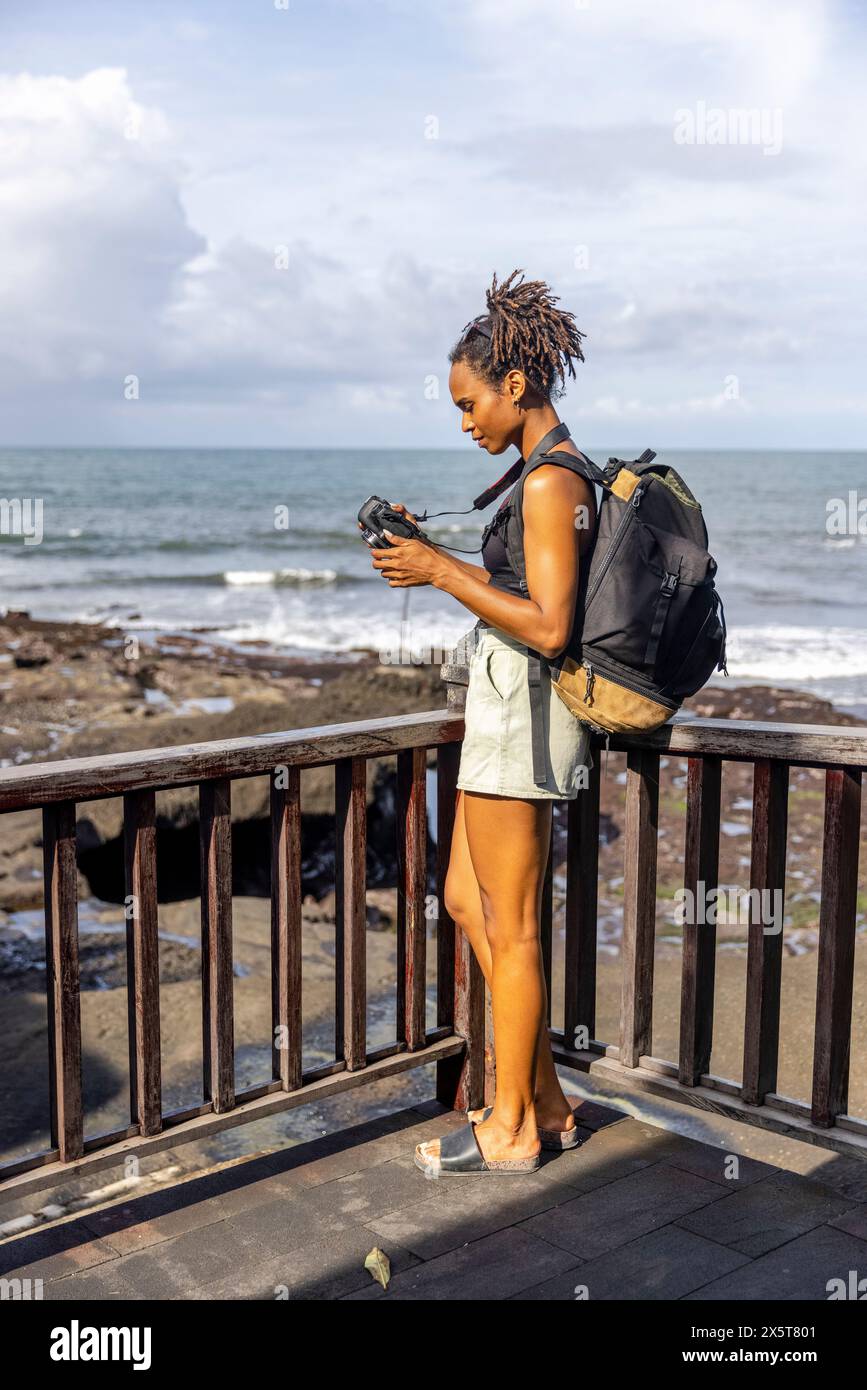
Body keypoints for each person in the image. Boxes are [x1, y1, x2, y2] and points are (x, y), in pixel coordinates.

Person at [364, 269, 597, 1176]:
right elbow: (516, 590)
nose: (465, 423)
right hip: (500, 708)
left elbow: (547, 623)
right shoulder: (535, 475)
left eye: (469, 404)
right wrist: (439, 555)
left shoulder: (550, 482)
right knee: (467, 900)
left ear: (515, 384)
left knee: (514, 928)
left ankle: (510, 1128)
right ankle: (546, 1100)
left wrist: (436, 572)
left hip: (523, 716)